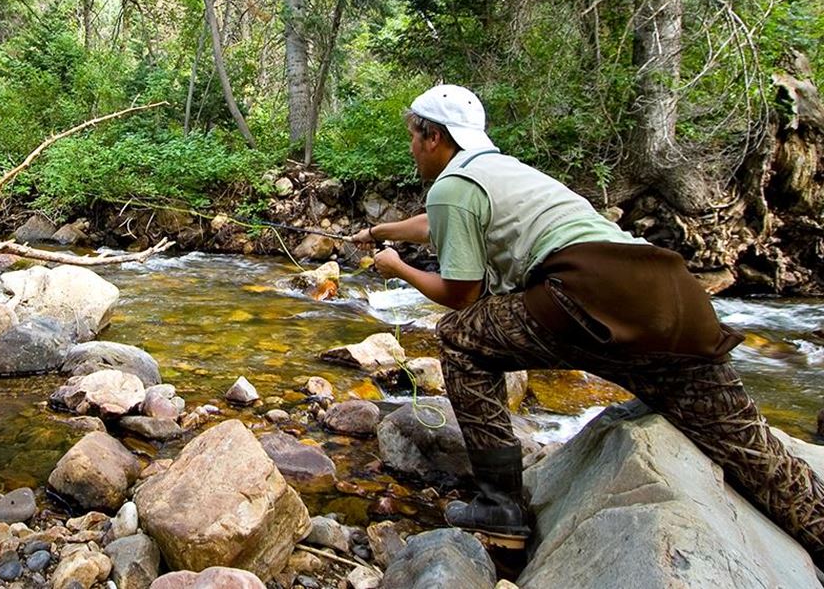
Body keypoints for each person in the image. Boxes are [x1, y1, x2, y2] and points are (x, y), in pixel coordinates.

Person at [349, 83, 824, 559]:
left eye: (414, 136)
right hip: (673, 301)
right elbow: (437, 224)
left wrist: (397, 268)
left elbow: (461, 295)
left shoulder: (452, 185)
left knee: (459, 338)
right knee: (753, 452)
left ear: (433, 136)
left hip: (587, 299)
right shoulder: (500, 170)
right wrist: (379, 231)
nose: (412, 147)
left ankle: (501, 507)